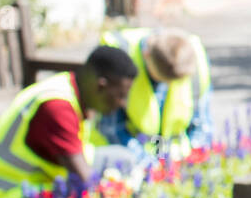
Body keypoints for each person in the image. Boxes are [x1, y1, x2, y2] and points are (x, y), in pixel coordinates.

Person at [0, 46, 139, 198]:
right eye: (120, 96)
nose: (123, 104)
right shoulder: (57, 107)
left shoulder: (71, 86)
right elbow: (85, 182)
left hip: (32, 182)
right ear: (101, 86)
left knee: (124, 159)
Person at [91, 26, 213, 162]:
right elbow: (111, 129)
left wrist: (193, 159)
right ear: (146, 55)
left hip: (175, 161)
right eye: (161, 80)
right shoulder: (118, 55)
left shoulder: (193, 55)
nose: (168, 85)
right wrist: (148, 164)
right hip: (126, 160)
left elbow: (201, 124)